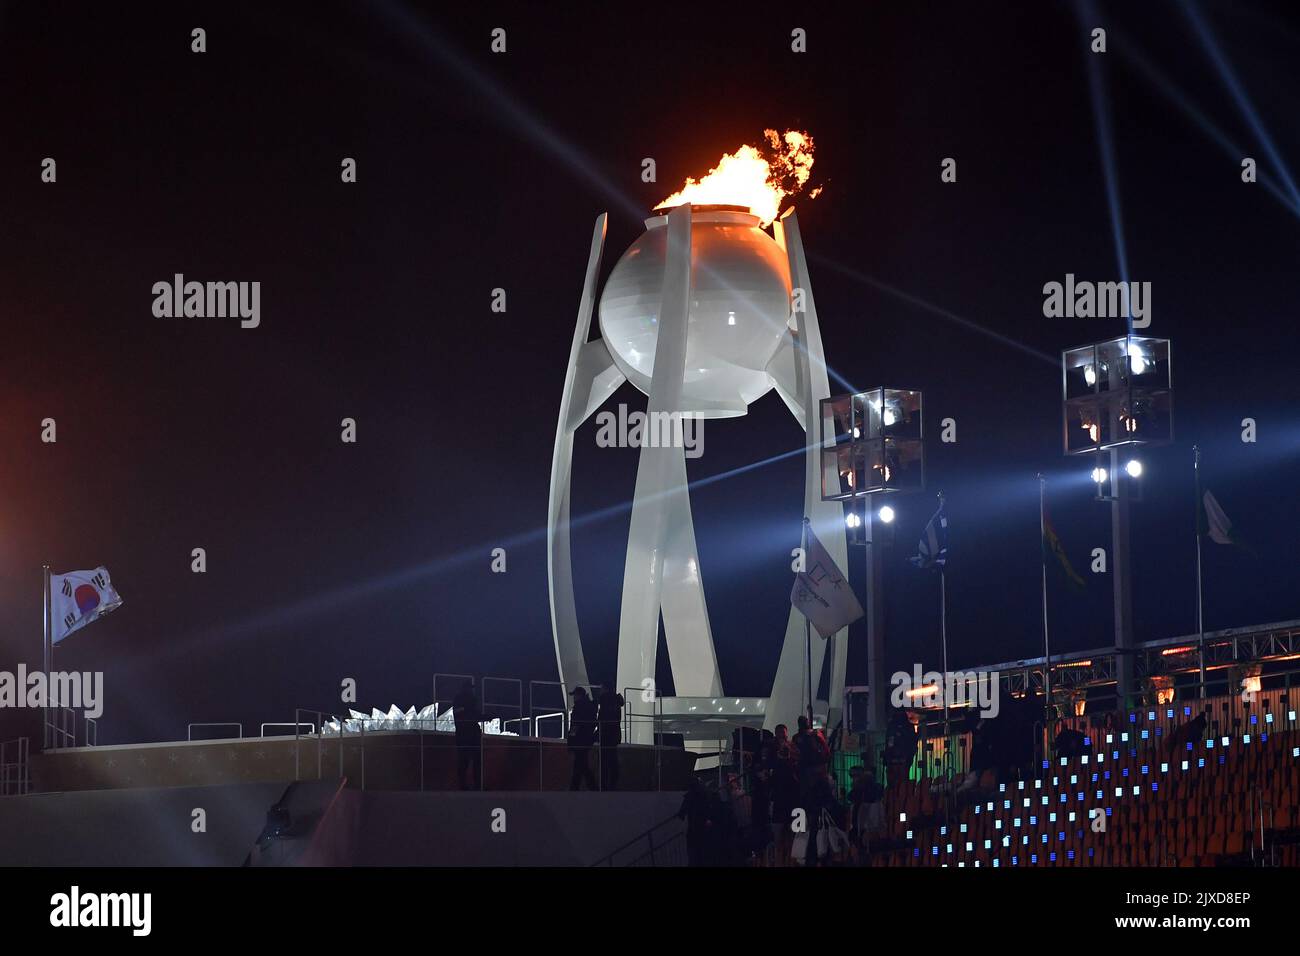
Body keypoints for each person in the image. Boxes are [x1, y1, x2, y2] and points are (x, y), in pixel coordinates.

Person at [452, 680, 482, 790]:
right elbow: (470, 715)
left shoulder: (461, 700)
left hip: (465, 735)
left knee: (468, 761)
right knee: (467, 761)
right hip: (467, 735)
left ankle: (472, 785)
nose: (471, 690)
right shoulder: (464, 700)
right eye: (470, 688)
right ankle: (473, 785)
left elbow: (471, 714)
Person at [568, 686, 598, 791]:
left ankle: (576, 788)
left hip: (579, 740)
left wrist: (570, 741)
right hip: (586, 739)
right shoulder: (590, 707)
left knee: (580, 764)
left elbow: (575, 726)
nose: (573, 698)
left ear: (579, 695)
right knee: (582, 764)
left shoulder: (579, 707)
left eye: (575, 695)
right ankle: (590, 787)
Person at [597, 686, 624, 791]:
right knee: (613, 760)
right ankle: (613, 784)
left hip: (605, 735)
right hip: (615, 734)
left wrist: (597, 732)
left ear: (605, 689)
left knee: (604, 761)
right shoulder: (617, 701)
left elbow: (602, 718)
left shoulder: (605, 700)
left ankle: (604, 785)